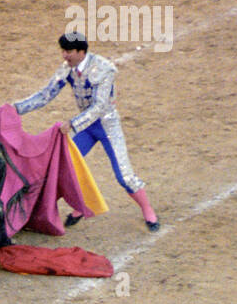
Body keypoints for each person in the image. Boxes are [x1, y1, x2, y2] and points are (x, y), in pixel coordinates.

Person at [13, 32, 159, 231]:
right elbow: (46, 94)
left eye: (69, 51)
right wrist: (16, 108)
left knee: (124, 176)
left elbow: (99, 106)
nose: (65, 55)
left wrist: (72, 124)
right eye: (63, 51)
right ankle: (80, 207)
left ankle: (148, 211)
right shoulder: (68, 68)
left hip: (107, 126)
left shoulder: (103, 69)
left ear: (81, 52)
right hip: (87, 127)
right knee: (66, 166)